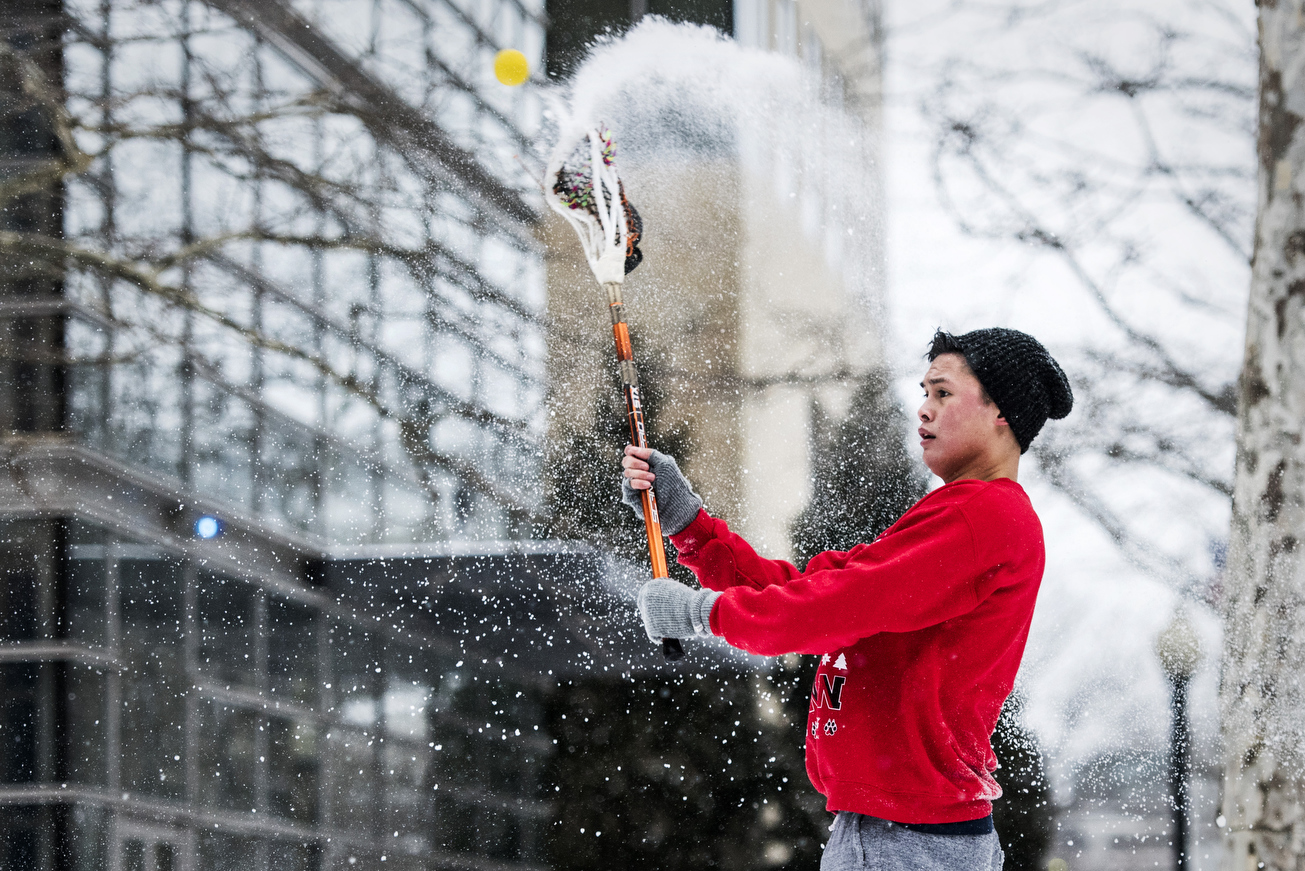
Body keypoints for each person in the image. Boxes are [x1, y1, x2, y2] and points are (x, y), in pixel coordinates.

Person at [620, 328, 1072, 871]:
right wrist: (689, 525)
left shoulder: (986, 516)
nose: (924, 409)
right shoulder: (957, 515)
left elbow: (834, 606)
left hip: (908, 843)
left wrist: (701, 613)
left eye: (943, 393)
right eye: (924, 392)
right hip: (896, 834)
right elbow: (811, 588)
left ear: (1001, 411)